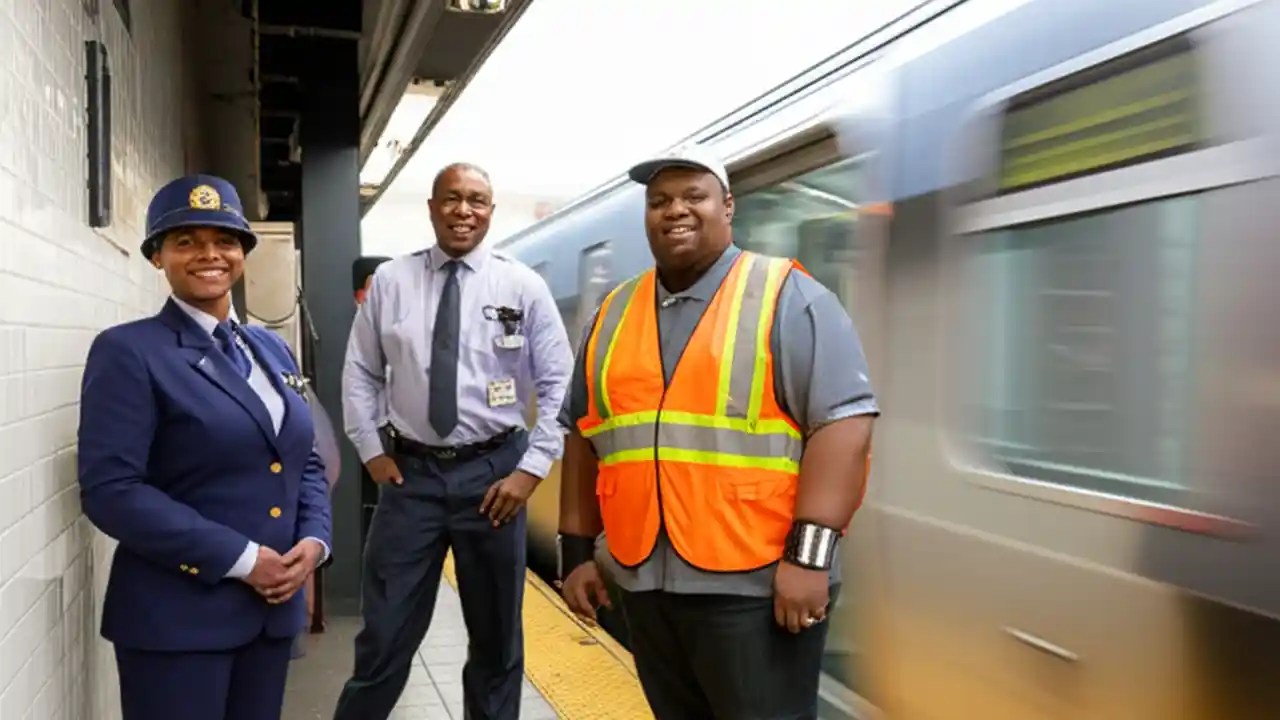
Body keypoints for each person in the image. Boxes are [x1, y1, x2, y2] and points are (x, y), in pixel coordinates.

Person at [557, 144, 878, 719]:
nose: (674, 210)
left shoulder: (788, 297)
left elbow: (843, 426)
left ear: (727, 207)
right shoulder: (611, 313)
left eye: (692, 196)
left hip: (753, 587)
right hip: (643, 582)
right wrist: (577, 552)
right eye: (659, 201)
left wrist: (809, 560)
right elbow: (585, 437)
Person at [76, 174, 333, 720]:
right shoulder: (130, 351)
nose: (208, 255)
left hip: (269, 617)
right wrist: (243, 560)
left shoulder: (269, 346)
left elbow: (301, 457)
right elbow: (111, 491)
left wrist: (313, 540)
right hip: (177, 621)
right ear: (157, 257)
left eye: (224, 240)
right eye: (185, 241)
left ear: (242, 253)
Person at [333, 162, 573, 720]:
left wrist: (531, 469)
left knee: (495, 641)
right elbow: (361, 372)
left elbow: (562, 383)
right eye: (452, 199)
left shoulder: (522, 284)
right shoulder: (392, 281)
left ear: (490, 210)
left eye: (478, 200)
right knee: (385, 634)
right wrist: (371, 450)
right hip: (410, 476)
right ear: (433, 207)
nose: (464, 210)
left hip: (495, 477)